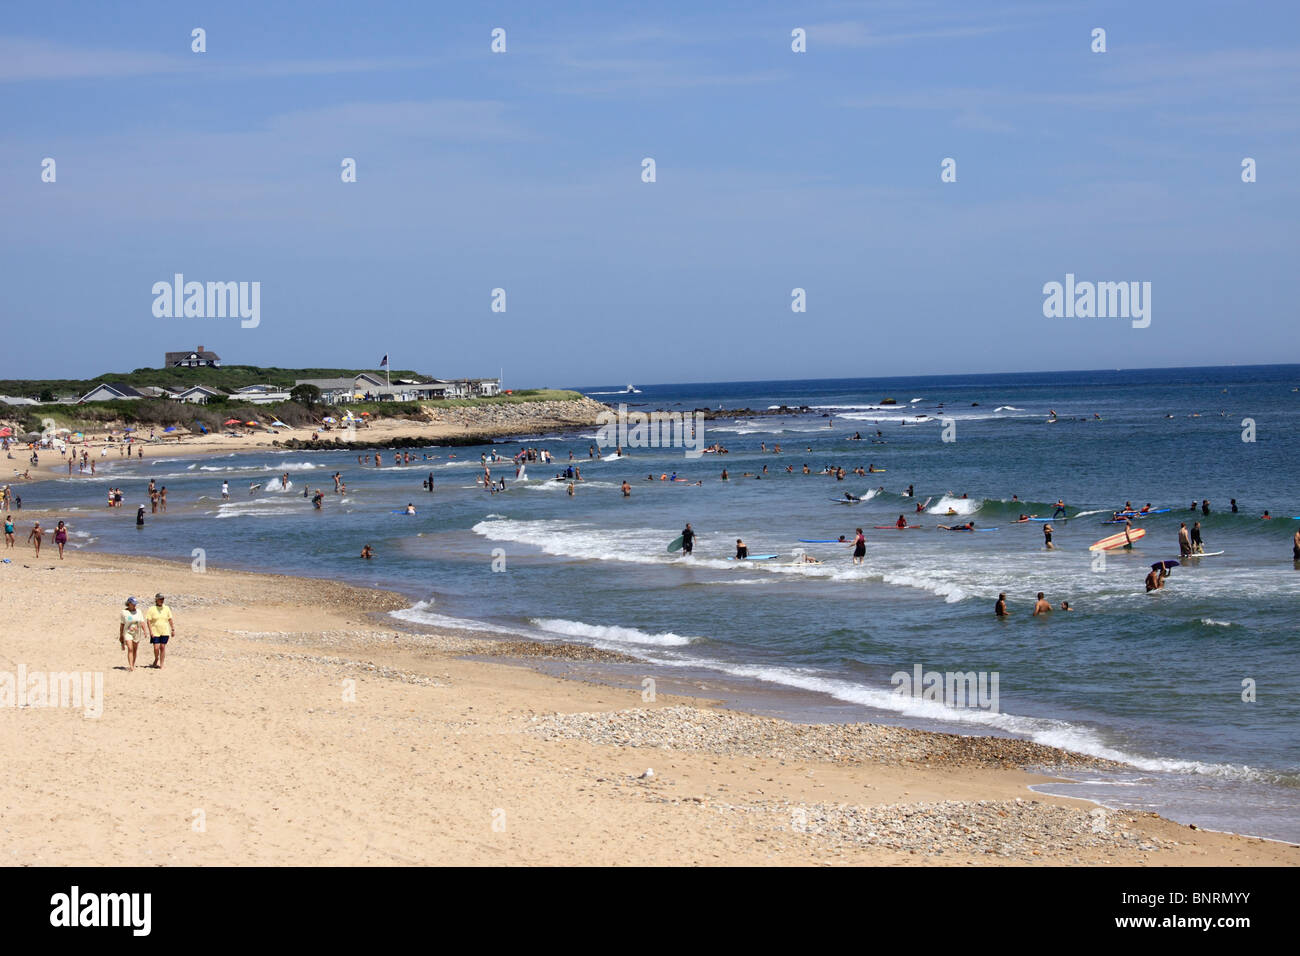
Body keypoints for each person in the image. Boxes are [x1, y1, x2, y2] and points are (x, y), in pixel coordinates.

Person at [145, 593, 175, 668]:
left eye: (163, 599)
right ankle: (156, 658)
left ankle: (161, 664)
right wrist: (150, 631)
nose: (162, 601)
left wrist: (173, 629)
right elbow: (148, 620)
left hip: (164, 630)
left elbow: (170, 619)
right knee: (156, 647)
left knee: (162, 647)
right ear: (156, 600)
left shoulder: (166, 608)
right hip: (155, 631)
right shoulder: (152, 609)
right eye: (160, 599)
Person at [119, 596, 145, 672]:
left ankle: (133, 664)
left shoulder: (139, 611)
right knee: (130, 648)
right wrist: (121, 635)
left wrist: (145, 631)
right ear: (129, 604)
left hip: (137, 632)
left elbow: (142, 622)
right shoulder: (124, 612)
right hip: (127, 632)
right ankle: (131, 666)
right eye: (133, 604)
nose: (134, 605)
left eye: (135, 604)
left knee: (135, 649)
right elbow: (122, 624)